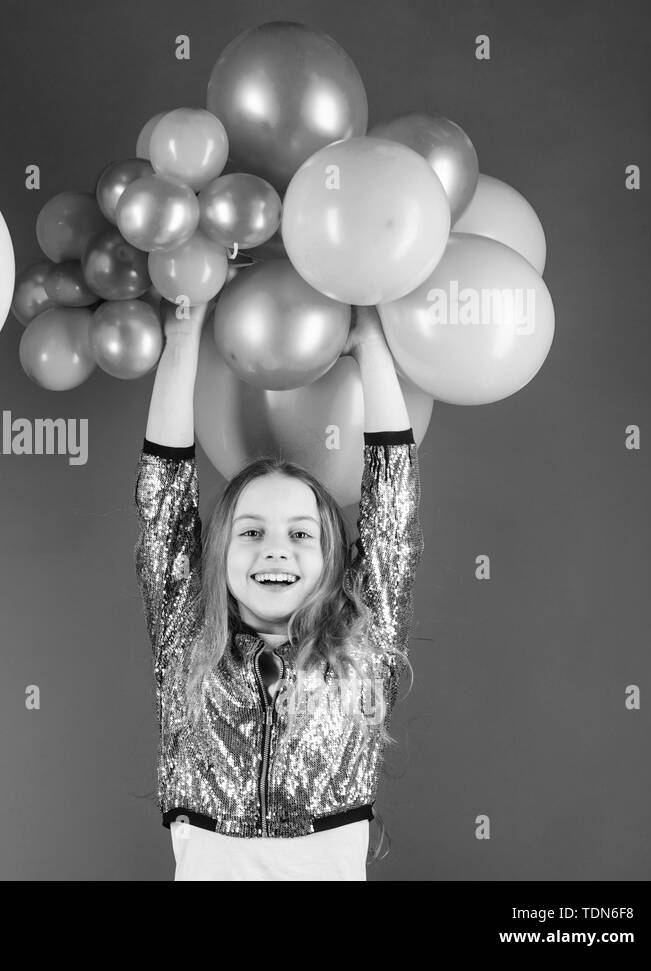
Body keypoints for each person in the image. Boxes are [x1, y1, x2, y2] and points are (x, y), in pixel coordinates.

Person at [134, 301, 424, 880]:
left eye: (299, 533)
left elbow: (393, 498)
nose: (275, 549)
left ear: (332, 558)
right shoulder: (187, 640)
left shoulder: (365, 645)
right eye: (251, 532)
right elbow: (162, 496)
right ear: (217, 554)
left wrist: (369, 344)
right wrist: (184, 339)